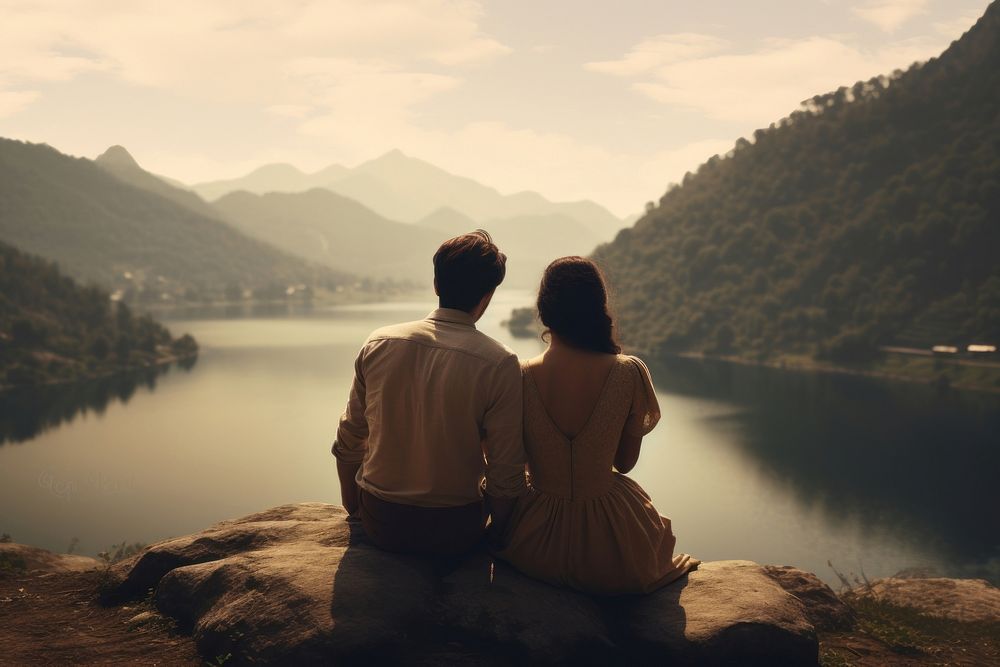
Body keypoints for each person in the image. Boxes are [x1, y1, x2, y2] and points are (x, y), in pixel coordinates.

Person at [496, 256, 699, 594]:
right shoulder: (628, 372)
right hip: (612, 550)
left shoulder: (519, 376)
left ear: (544, 311)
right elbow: (625, 462)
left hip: (536, 543)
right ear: (597, 309)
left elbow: (513, 461)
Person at [332, 230, 526, 557]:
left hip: (381, 521)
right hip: (456, 530)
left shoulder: (379, 343)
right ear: (489, 294)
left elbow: (350, 438)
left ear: (436, 284)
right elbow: (505, 472)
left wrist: (354, 509)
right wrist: (498, 536)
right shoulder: (499, 363)